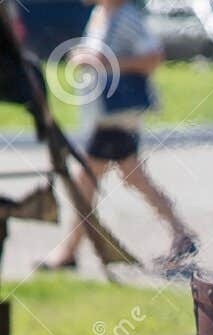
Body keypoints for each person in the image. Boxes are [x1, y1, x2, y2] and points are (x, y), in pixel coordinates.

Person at [40, 0, 196, 273]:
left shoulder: (125, 16)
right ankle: (181, 235)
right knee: (132, 176)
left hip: (116, 116)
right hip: (105, 113)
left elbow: (153, 57)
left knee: (84, 180)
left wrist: (104, 63)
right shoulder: (101, 14)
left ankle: (68, 251)